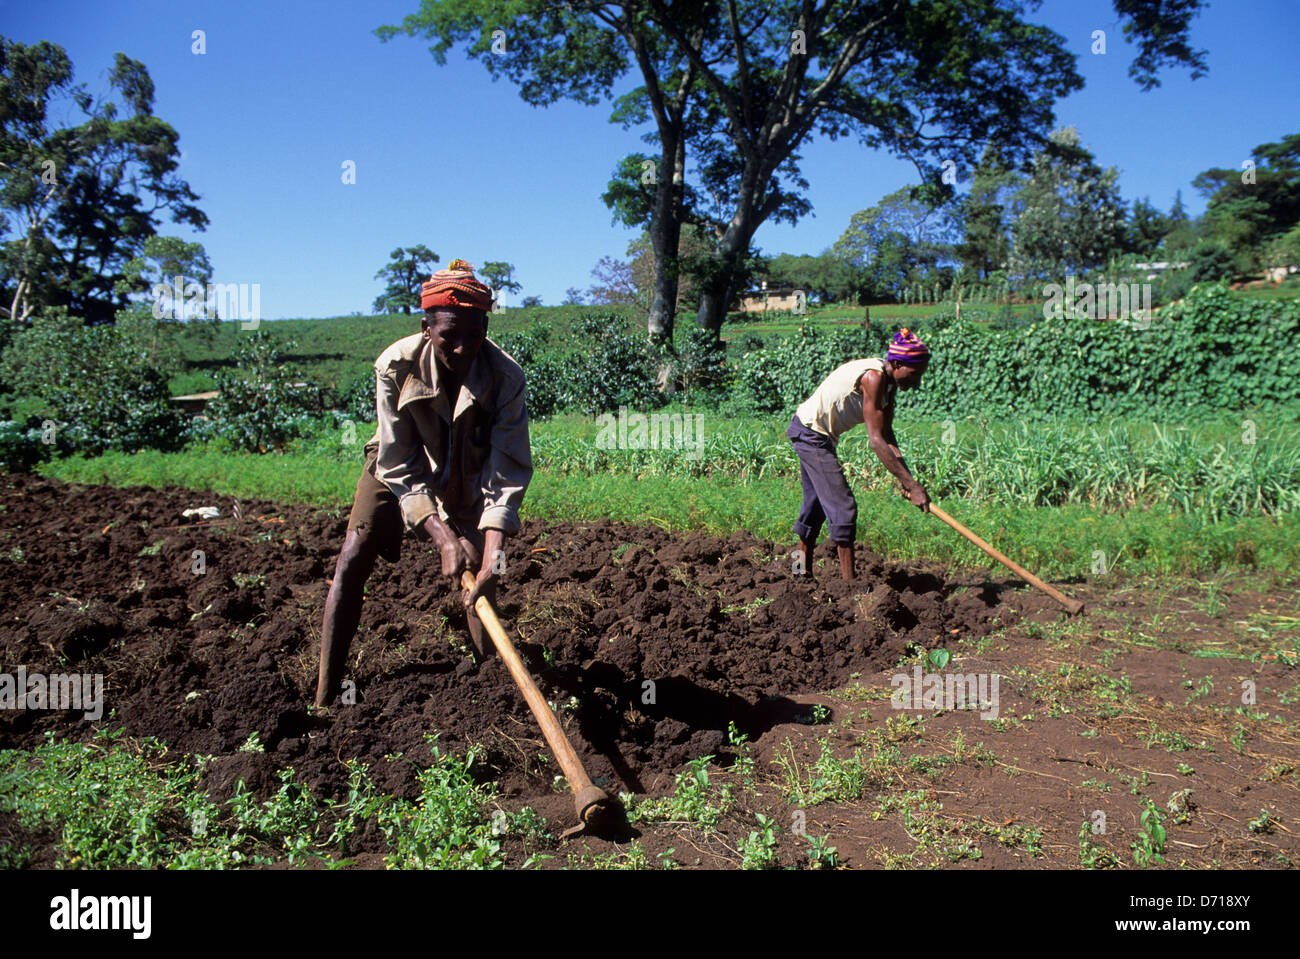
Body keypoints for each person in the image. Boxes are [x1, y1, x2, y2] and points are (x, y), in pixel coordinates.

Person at [314, 259, 532, 707]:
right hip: (399, 464)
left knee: (478, 563)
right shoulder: (395, 366)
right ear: (426, 327)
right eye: (449, 334)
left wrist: (493, 556)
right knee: (354, 552)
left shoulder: (506, 378)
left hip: (468, 468)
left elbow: (506, 471)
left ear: (486, 326)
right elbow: (398, 462)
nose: (461, 347)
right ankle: (325, 692)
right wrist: (440, 535)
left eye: (474, 334)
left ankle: (489, 685)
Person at [786, 328, 931, 581]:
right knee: (843, 506)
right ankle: (849, 586)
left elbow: (887, 435)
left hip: (816, 434)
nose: (917, 382)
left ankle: (800, 573)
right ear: (897, 364)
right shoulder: (873, 378)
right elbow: (875, 441)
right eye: (914, 374)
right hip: (810, 434)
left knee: (816, 504)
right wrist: (912, 484)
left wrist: (907, 480)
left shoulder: (888, 385)